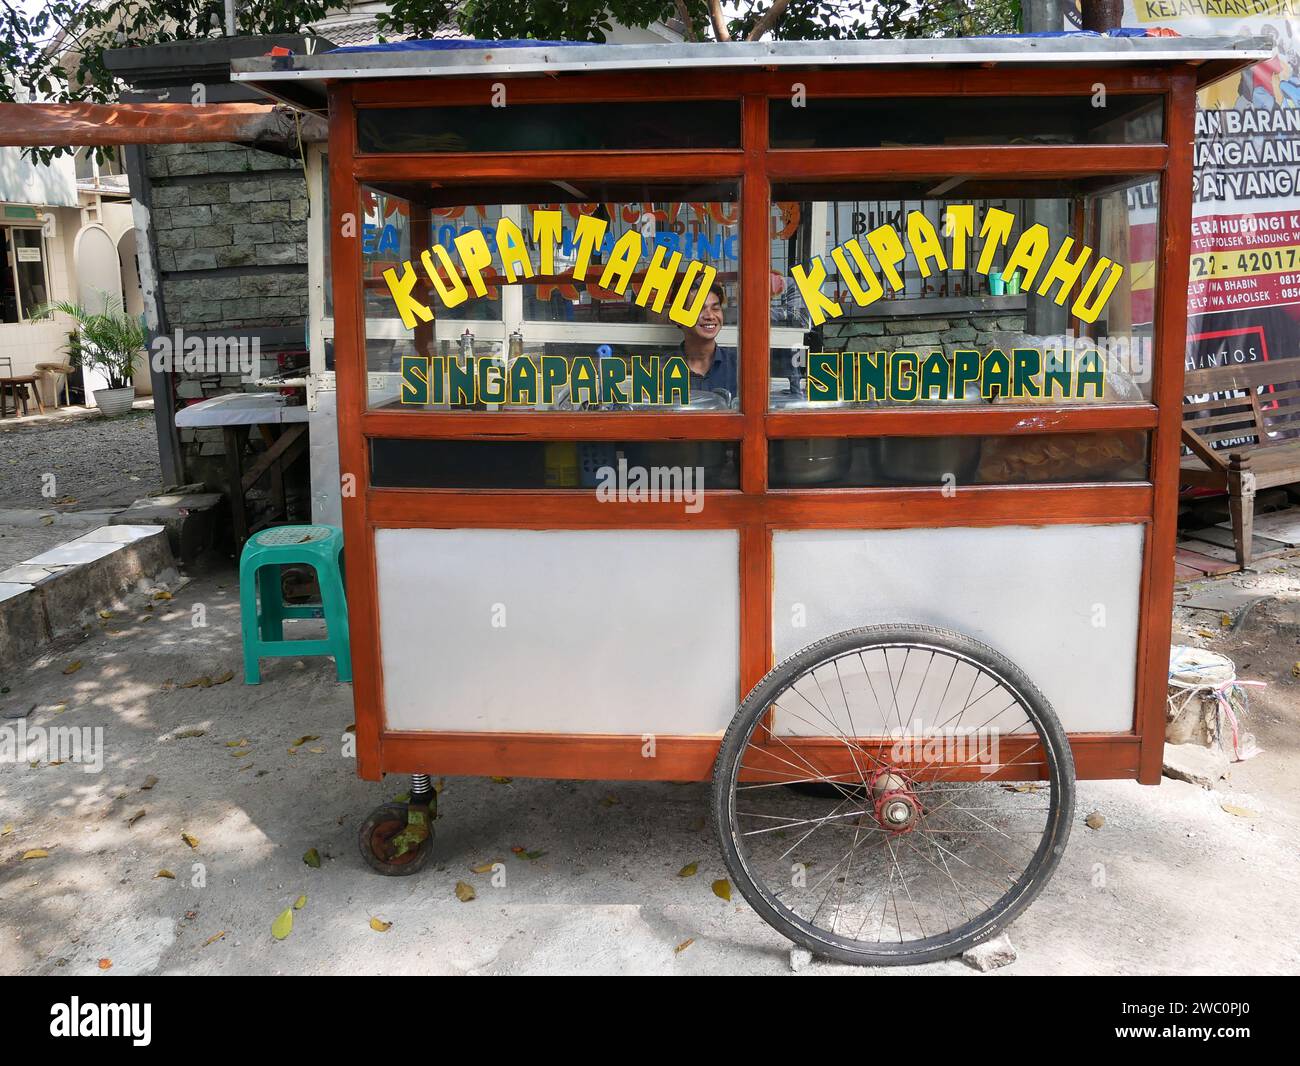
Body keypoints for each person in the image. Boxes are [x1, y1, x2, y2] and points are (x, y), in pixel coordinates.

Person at [677, 281, 737, 401]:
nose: (710, 316)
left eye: (715, 308)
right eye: (699, 309)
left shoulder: (740, 366)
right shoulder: (661, 371)